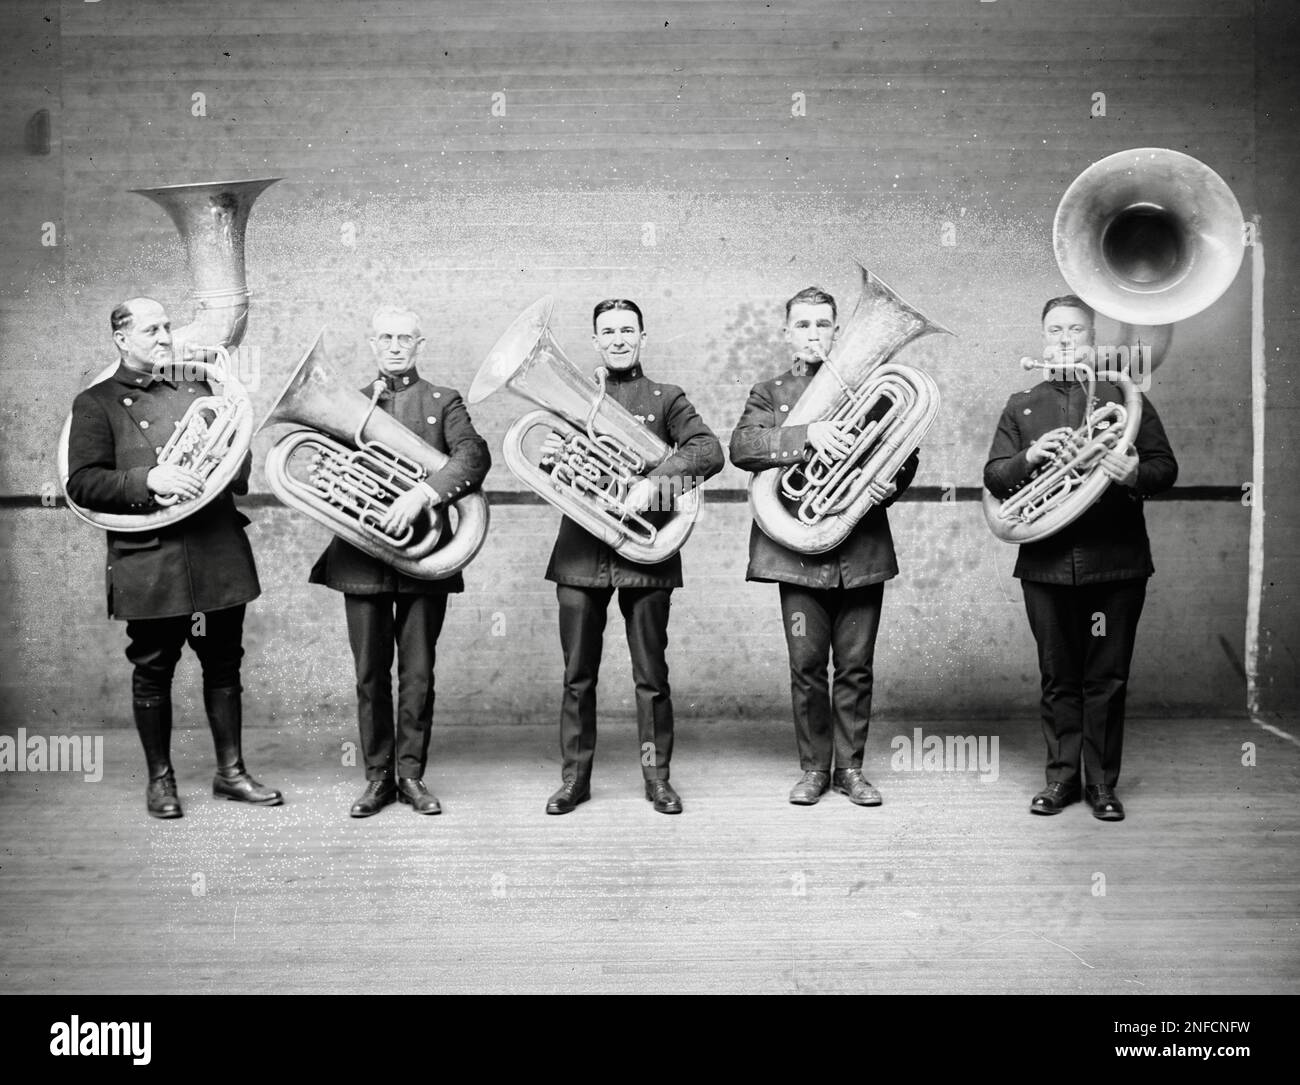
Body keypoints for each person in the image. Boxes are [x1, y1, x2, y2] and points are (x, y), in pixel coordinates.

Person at [66, 296, 282, 819]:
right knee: (154, 669)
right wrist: (149, 480)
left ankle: (231, 773)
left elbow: (236, 464)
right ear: (121, 337)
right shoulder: (94, 403)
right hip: (151, 557)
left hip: (214, 549)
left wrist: (233, 451)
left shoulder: (198, 386)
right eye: (152, 330)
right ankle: (161, 781)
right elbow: (82, 482)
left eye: (167, 327)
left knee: (224, 663)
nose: (166, 337)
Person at [984, 295, 1178, 821]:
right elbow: (995, 479)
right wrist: (1030, 456)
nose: (1065, 339)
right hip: (1046, 566)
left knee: (1107, 677)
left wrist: (1132, 472)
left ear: (1092, 338)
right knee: (1058, 676)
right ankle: (1061, 780)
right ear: (1043, 339)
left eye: (1075, 330)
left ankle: (1103, 786)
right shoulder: (1022, 404)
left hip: (1115, 564)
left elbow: (1165, 469)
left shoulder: (1123, 395)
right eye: (1055, 330)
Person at [729, 286, 917, 807]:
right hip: (796, 553)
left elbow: (905, 453)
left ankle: (850, 770)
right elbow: (742, 448)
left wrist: (890, 482)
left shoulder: (873, 386)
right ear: (788, 333)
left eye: (823, 325)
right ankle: (814, 769)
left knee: (856, 667)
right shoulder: (770, 393)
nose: (814, 334)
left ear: (837, 331)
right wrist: (808, 434)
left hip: (860, 550)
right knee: (807, 667)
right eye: (803, 325)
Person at [542, 299, 723, 815]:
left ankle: (657, 778)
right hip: (581, 551)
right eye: (608, 332)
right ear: (595, 340)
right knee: (577, 675)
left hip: (647, 550)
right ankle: (575, 779)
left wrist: (656, 483)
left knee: (651, 675)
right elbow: (554, 463)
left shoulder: (667, 398)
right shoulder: (571, 398)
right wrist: (552, 458)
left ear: (643, 337)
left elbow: (709, 451)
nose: (618, 339)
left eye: (628, 330)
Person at [309, 305, 490, 817]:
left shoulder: (442, 400)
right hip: (361, 558)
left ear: (419, 344)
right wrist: (329, 470)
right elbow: (325, 466)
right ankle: (376, 778)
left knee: (418, 674)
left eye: (404, 337)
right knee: (370, 675)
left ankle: (410, 776)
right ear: (371, 343)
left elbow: (473, 456)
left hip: (426, 554)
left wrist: (425, 495)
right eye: (385, 337)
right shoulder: (345, 402)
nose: (394, 345)